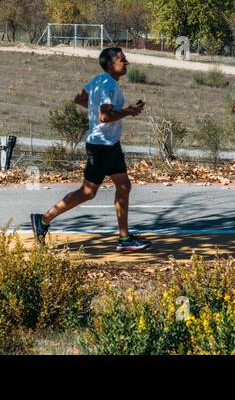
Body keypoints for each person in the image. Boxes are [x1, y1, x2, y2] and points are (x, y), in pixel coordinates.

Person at [31, 46, 148, 251]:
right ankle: (43, 219)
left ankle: (124, 239)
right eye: (122, 59)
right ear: (111, 64)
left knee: (123, 186)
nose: (126, 62)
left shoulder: (99, 80)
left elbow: (79, 99)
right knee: (87, 192)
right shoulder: (108, 85)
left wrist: (108, 109)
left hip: (110, 144)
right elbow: (105, 117)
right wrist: (128, 111)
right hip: (101, 146)